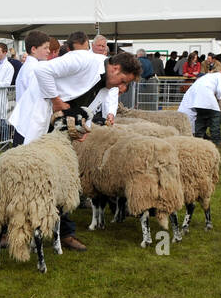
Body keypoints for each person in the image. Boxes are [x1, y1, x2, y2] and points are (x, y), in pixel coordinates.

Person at [31, 45, 142, 252]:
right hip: (38, 122)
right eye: (123, 81)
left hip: (62, 133)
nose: (121, 86)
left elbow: (87, 108)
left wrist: (83, 129)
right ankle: (15, 230)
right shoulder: (84, 60)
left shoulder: (105, 85)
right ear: (115, 68)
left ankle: (64, 233)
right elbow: (42, 70)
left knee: (63, 180)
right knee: (29, 178)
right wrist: (55, 100)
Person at [8, 30, 52, 147]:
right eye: (45, 48)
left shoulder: (30, 66)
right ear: (33, 49)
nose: (48, 51)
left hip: (26, 119)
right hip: (28, 122)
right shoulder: (34, 69)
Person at [177, 61, 221, 144]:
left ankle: (198, 137)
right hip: (206, 96)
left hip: (196, 100)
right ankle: (216, 140)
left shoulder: (207, 76)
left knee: (201, 118)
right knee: (215, 116)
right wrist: (219, 98)